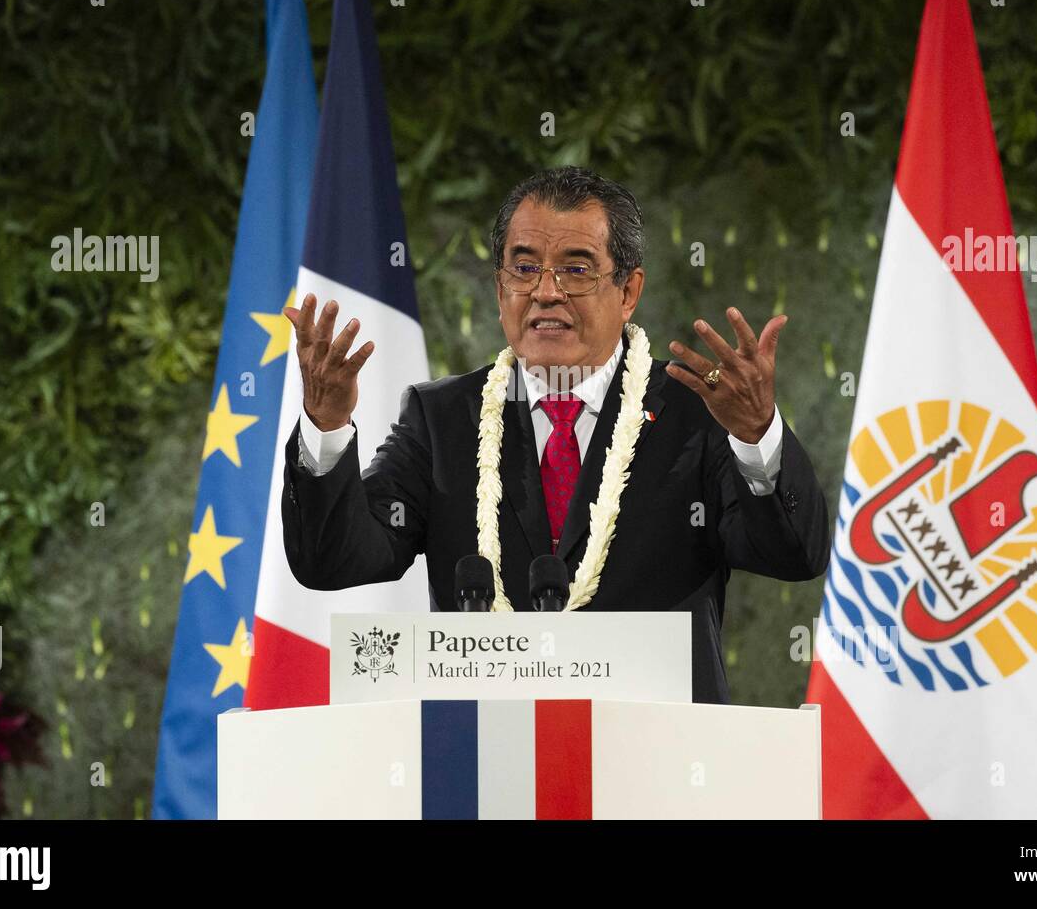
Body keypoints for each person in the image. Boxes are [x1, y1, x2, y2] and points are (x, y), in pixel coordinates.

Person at [280, 166, 828, 703]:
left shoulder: (699, 413)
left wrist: (757, 434)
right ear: (500, 289)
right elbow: (335, 559)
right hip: (485, 760)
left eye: (576, 269)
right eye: (524, 268)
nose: (546, 292)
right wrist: (326, 425)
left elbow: (792, 556)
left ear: (629, 290)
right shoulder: (441, 418)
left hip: (661, 766)